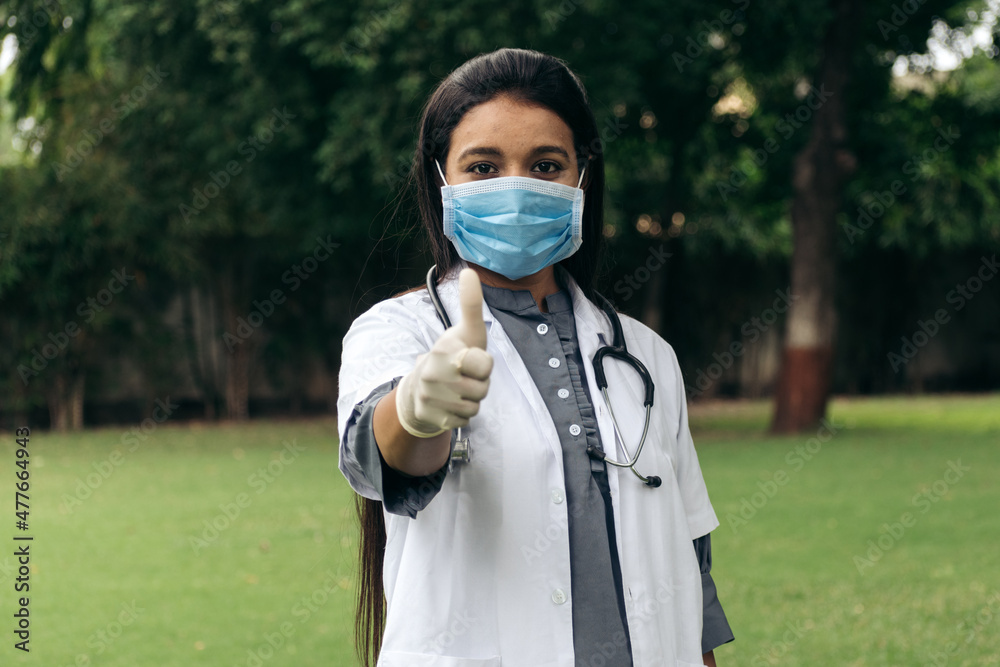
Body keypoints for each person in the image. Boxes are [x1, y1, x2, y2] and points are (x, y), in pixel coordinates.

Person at [337, 47, 734, 667]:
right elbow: (387, 459)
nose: (517, 188)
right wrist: (417, 411)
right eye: (483, 167)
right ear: (441, 180)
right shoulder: (397, 332)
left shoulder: (645, 354)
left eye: (546, 165)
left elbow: (689, 563)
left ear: (582, 178)